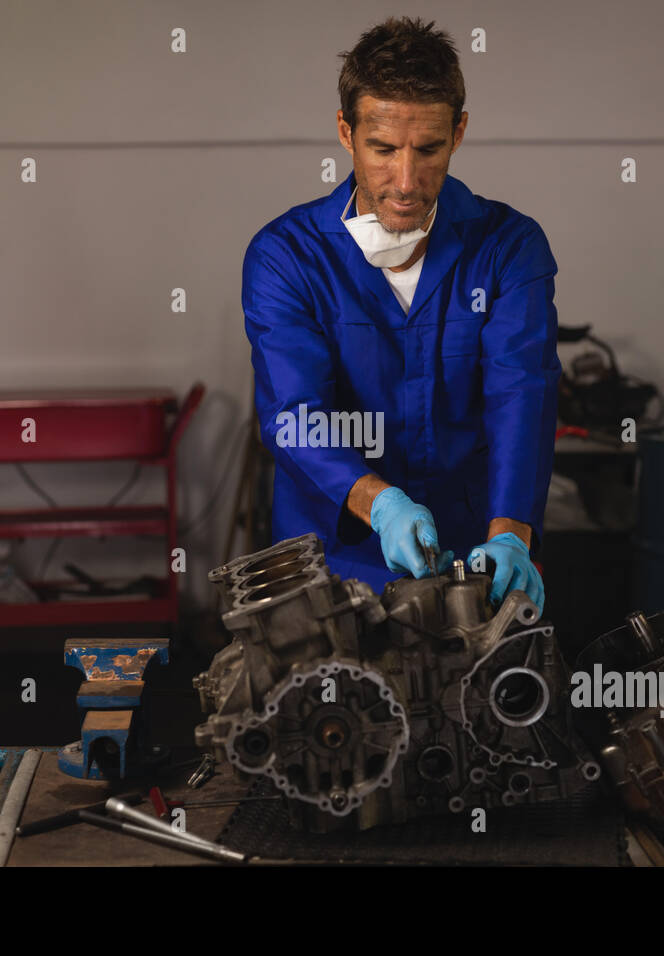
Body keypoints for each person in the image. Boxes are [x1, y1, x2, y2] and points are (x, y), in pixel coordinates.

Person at [241, 16, 559, 611]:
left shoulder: (509, 247)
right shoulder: (287, 256)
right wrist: (380, 504)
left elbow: (523, 396)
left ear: (459, 132)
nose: (406, 180)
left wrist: (512, 534)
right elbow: (293, 415)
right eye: (383, 149)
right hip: (331, 554)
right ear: (345, 131)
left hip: (473, 557)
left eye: (429, 148)